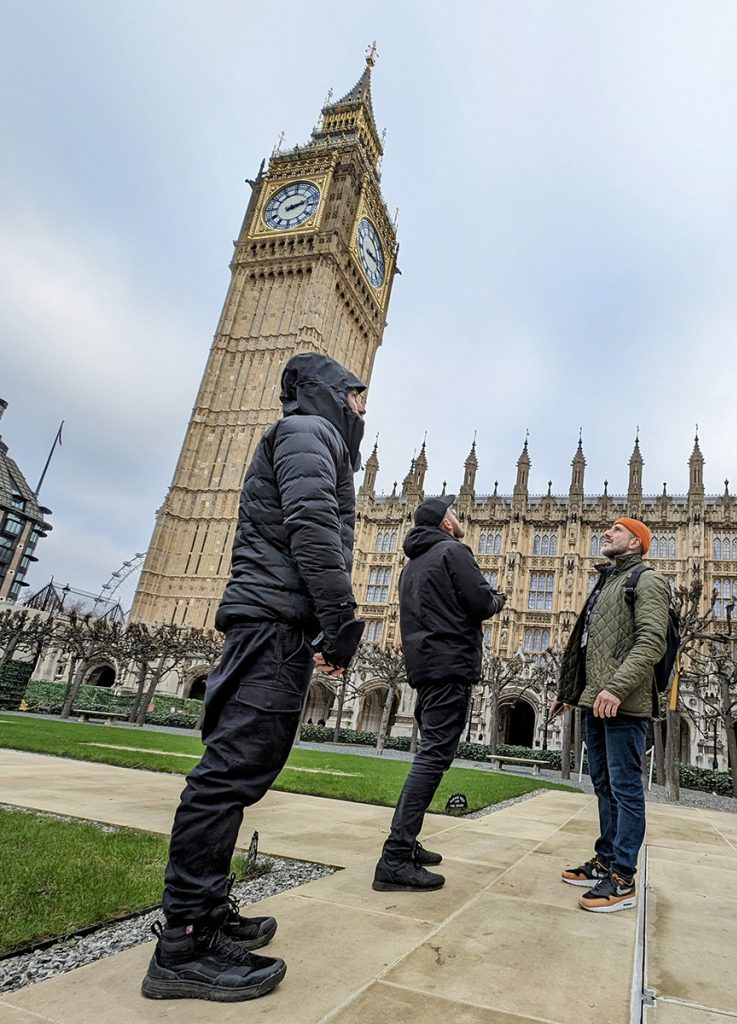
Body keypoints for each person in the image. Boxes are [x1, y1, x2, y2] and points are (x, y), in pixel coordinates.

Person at [142, 353, 367, 1002]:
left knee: (240, 772)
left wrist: (320, 623)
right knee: (229, 773)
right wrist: (341, 619)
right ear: (327, 392)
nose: (362, 409)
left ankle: (207, 915)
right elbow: (311, 525)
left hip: (275, 621)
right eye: (355, 395)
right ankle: (184, 943)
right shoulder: (307, 433)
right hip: (270, 624)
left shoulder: (312, 436)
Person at [372, 494, 505, 892]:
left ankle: (405, 844)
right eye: (454, 513)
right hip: (450, 666)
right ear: (445, 523)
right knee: (432, 759)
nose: (459, 516)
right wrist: (497, 599)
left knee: (429, 755)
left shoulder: (412, 565)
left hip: (425, 667)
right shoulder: (453, 551)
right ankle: (395, 857)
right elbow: (480, 602)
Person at [550, 517, 671, 913]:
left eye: (617, 530)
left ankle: (622, 878)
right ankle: (605, 858)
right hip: (595, 701)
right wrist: (571, 693)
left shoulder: (647, 581)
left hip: (623, 703)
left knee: (626, 789)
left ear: (636, 544)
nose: (606, 533)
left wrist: (616, 688)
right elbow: (589, 645)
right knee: (603, 784)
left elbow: (651, 641)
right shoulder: (606, 582)